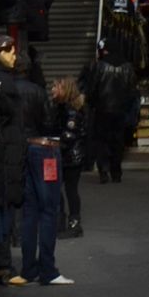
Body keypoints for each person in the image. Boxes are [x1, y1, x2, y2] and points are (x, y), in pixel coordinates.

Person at [0, 40, 71, 287]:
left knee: (29, 211)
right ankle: (48, 268)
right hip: (42, 149)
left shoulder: (4, 87)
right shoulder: (37, 91)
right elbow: (49, 124)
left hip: (19, 150)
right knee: (49, 209)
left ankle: (28, 268)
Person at [80, 40, 139, 184]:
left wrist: (92, 103)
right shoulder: (128, 67)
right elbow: (133, 91)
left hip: (102, 109)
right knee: (118, 141)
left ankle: (103, 171)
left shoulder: (99, 66)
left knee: (101, 140)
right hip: (120, 111)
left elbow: (92, 88)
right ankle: (116, 172)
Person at [50, 76, 88, 237]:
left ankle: (73, 223)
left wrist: (55, 142)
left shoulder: (71, 111)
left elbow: (69, 134)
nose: (52, 90)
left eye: (56, 87)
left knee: (69, 189)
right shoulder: (63, 107)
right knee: (65, 189)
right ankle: (68, 221)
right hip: (70, 155)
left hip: (70, 156)